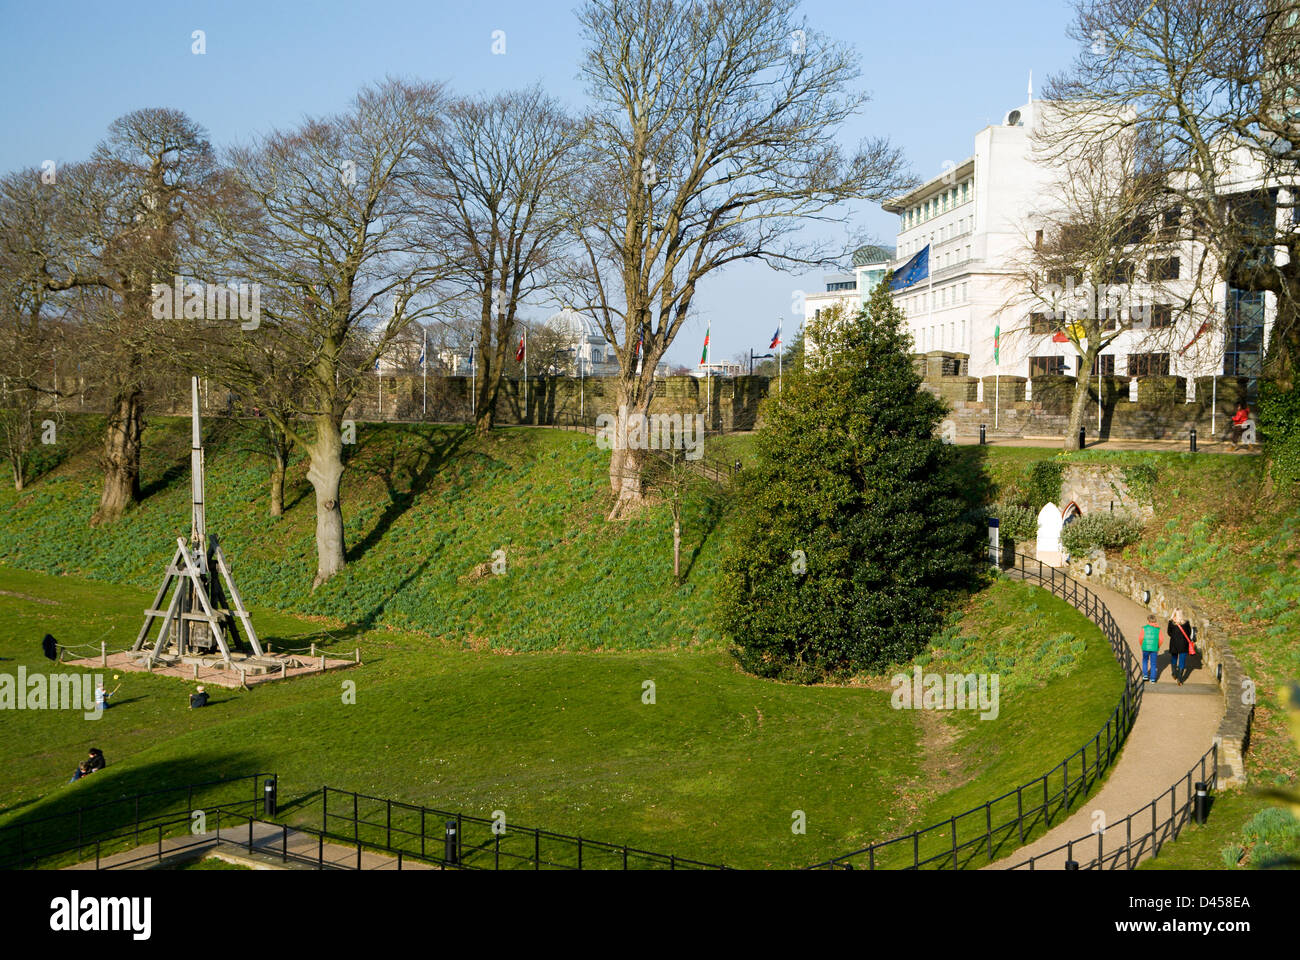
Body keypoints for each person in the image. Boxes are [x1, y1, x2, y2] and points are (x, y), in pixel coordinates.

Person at [1167, 609, 1193, 686]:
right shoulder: (1186, 623)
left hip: (1174, 644)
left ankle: (1174, 673)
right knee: (1182, 661)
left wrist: (1175, 636)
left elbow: (1169, 633)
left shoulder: (1171, 623)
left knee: (1174, 658)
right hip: (1184, 645)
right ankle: (1180, 679)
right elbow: (1189, 633)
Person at [1141, 613, 1161, 683]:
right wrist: (1157, 646)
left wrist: (1142, 645)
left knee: (1145, 661)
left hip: (1145, 647)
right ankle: (1153, 679)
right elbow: (1161, 639)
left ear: (1148, 620)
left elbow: (1141, 638)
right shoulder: (1158, 629)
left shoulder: (1144, 628)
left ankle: (1145, 675)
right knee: (1153, 663)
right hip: (1154, 648)